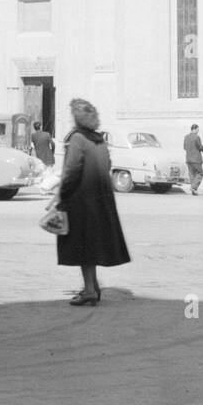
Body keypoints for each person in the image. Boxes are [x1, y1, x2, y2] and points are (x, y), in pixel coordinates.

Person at [50, 98, 130, 304]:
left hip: (81, 200)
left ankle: (89, 291)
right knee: (91, 244)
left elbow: (71, 170)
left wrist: (61, 195)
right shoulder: (99, 139)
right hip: (101, 199)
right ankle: (92, 286)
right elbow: (107, 165)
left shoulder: (77, 139)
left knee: (83, 245)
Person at [183, 123, 203, 194]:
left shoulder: (186, 137)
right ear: (194, 129)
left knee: (192, 174)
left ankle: (194, 191)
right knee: (200, 173)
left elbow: (184, 147)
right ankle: (193, 187)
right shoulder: (197, 137)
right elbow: (200, 147)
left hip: (188, 159)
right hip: (196, 159)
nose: (198, 131)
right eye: (197, 130)